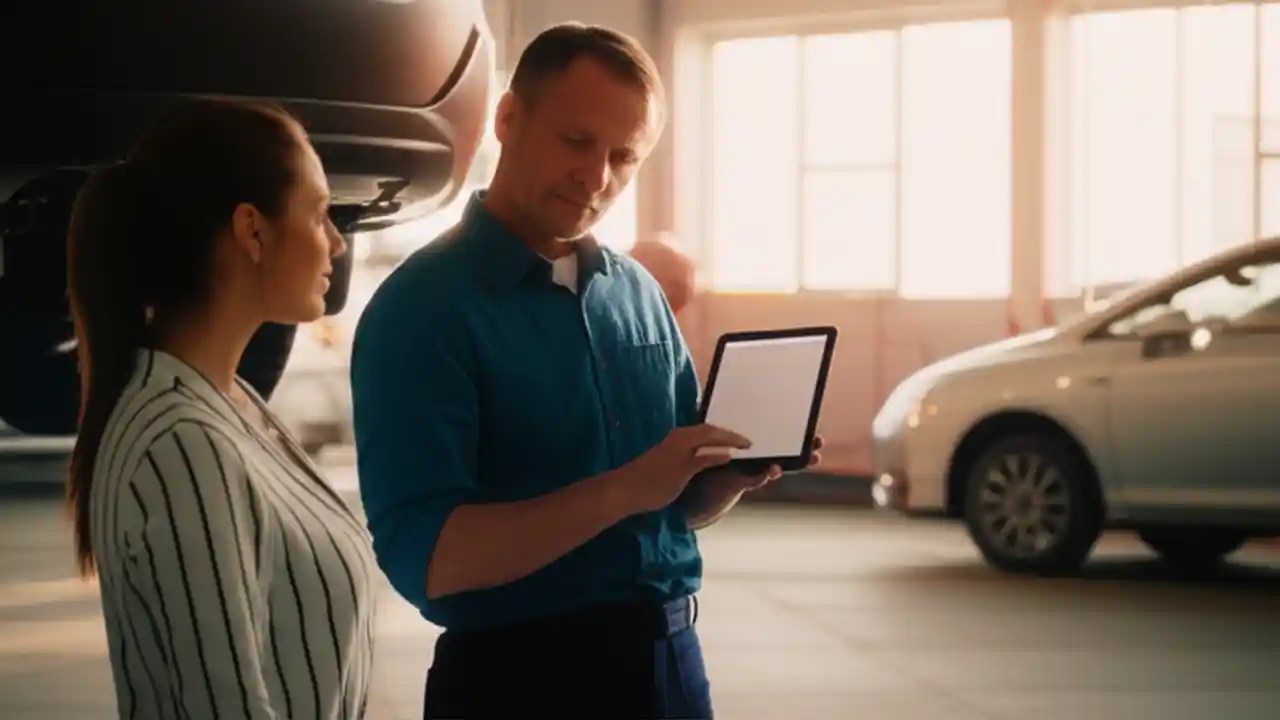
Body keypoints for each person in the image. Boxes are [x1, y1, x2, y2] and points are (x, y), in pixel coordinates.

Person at [351, 23, 820, 718]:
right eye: (577, 142)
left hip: (671, 664)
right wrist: (628, 487)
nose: (597, 176)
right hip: (518, 681)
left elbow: (673, 509)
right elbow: (431, 561)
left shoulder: (637, 295)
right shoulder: (421, 310)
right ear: (508, 119)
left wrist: (723, 481)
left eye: (623, 156)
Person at [66, 98, 377, 719]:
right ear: (252, 232)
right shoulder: (181, 443)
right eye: (319, 215)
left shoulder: (230, 405)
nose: (337, 244)